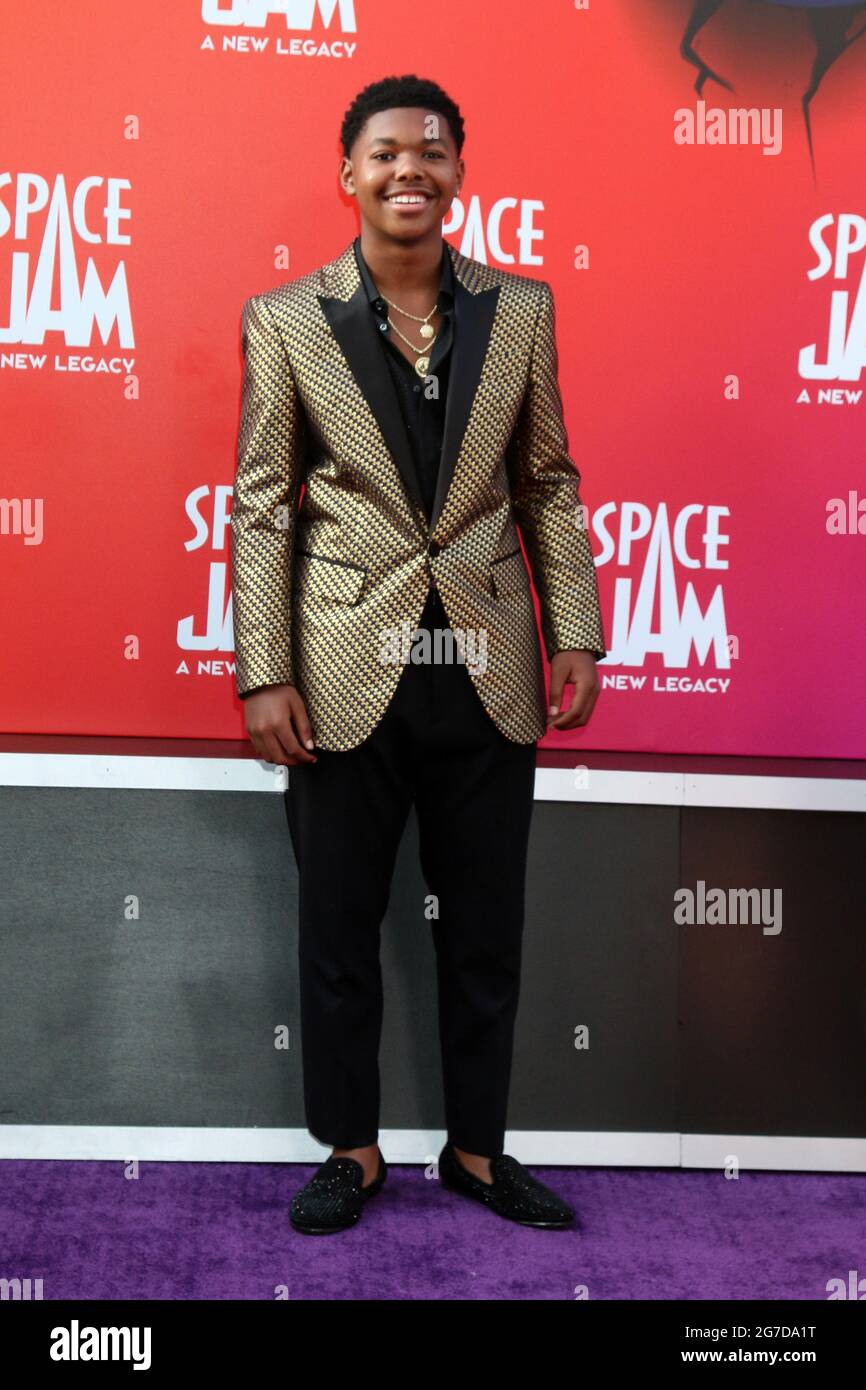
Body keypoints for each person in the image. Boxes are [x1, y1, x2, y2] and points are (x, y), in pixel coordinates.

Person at [230, 73, 606, 1234]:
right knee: (338, 925)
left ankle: (478, 1153)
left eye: (432, 152)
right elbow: (258, 503)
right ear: (347, 173)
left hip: (485, 665)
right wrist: (264, 667)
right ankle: (352, 1149)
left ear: (458, 173)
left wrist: (575, 629)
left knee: (486, 926)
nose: (410, 169)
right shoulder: (286, 318)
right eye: (386, 151)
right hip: (343, 666)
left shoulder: (522, 310)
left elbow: (545, 482)